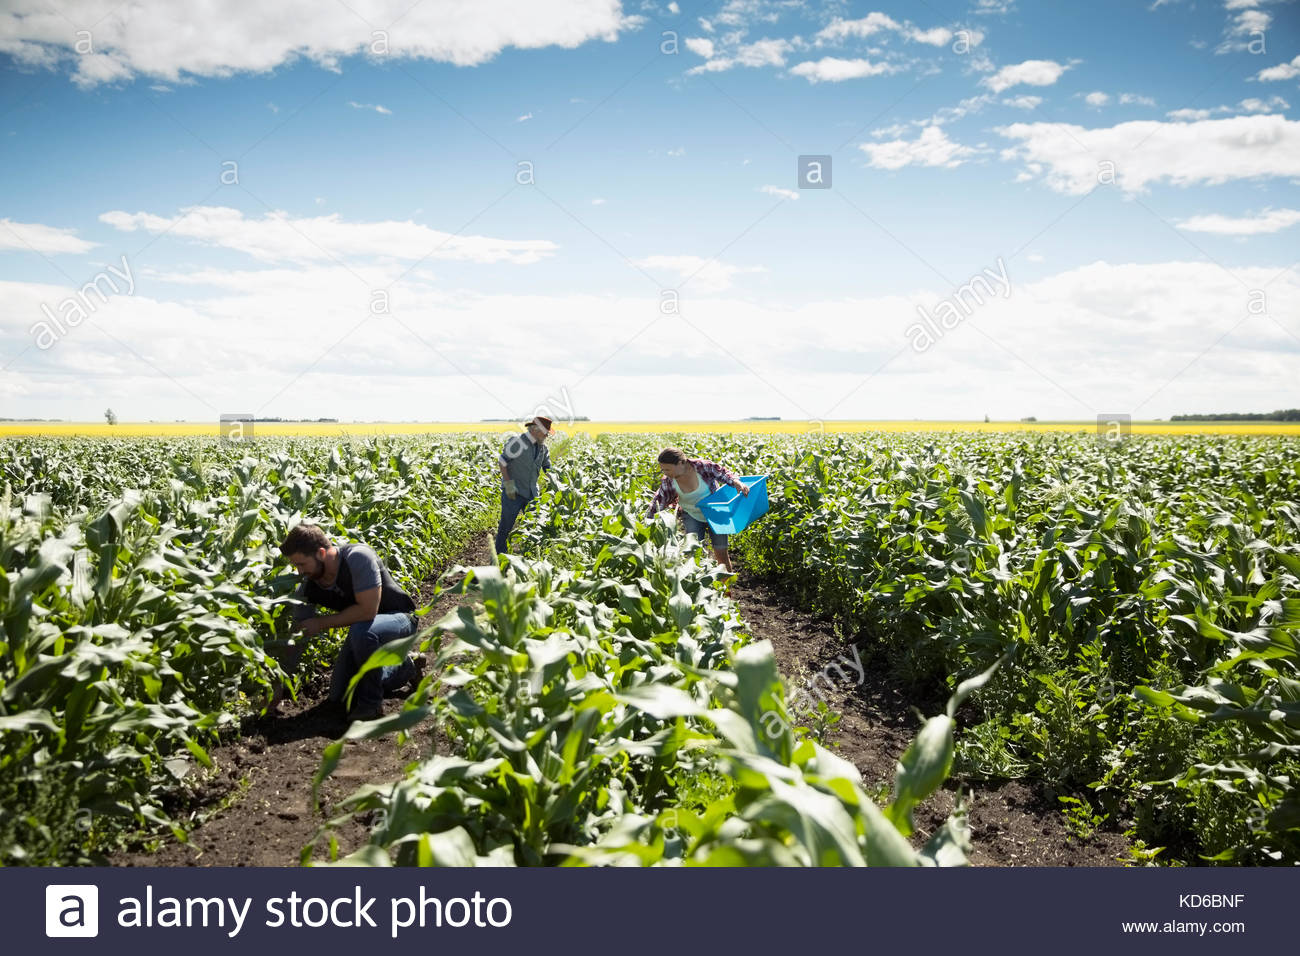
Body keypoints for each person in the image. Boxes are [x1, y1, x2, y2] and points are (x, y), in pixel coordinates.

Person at [276, 523, 423, 722]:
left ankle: (371, 704)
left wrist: (319, 624)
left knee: (361, 629)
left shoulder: (357, 558)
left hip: (400, 619)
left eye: (302, 564)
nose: (299, 571)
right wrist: (278, 687)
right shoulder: (310, 586)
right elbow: (298, 634)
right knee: (341, 694)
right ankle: (405, 667)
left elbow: (367, 611)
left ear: (320, 553)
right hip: (364, 633)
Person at [646, 447, 749, 572]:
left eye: (667, 469)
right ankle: (700, 587)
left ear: (680, 463)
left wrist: (736, 482)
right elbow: (658, 501)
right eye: (662, 469)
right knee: (693, 553)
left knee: (721, 553)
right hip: (691, 515)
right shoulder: (668, 482)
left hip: (715, 513)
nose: (665, 472)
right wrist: (647, 522)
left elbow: (722, 473)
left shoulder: (702, 467)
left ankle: (726, 590)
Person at [494, 415, 553, 554]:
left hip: (532, 494)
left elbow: (547, 467)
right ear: (535, 430)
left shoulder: (543, 448)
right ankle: (498, 558)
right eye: (545, 433)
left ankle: (530, 557)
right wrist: (508, 484)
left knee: (535, 527)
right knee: (506, 527)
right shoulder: (518, 442)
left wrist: (558, 482)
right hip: (513, 493)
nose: (546, 436)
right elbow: (502, 461)